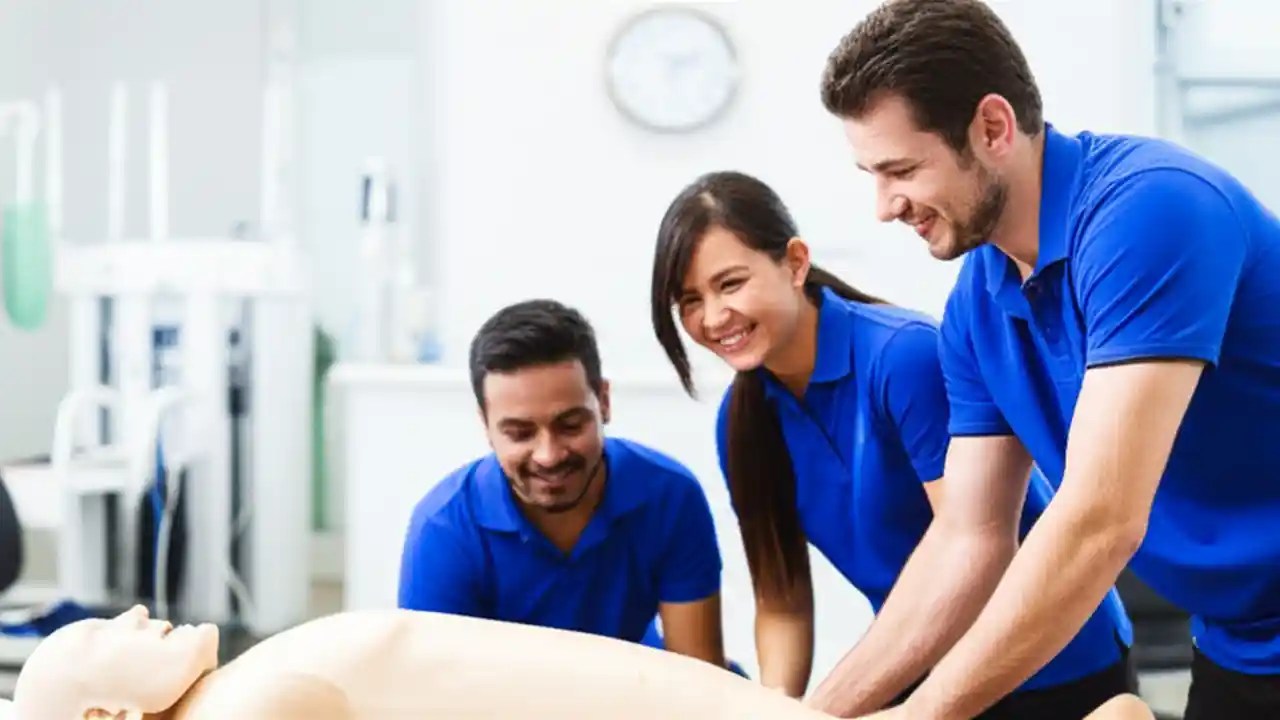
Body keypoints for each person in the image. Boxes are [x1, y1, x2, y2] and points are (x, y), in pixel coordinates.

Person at [816, 1, 1280, 718]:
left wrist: (923, 714)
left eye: (901, 169)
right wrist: (820, 712)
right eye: (870, 174)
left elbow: (1101, 520)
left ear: (993, 128)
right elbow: (969, 538)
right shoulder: (978, 303)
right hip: (1239, 640)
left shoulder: (1150, 210)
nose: (884, 205)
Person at [649, 170, 1134, 719]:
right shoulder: (742, 423)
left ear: (795, 263)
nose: (712, 318)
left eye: (730, 284)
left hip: (1047, 661)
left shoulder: (903, 357)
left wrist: (830, 708)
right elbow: (782, 600)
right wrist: (778, 709)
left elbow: (971, 551)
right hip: (915, 671)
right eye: (689, 300)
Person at [7, 605, 1158, 720]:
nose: (140, 611)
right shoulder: (239, 704)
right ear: (109, 717)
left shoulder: (241, 696)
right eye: (98, 635)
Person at [397, 298, 727, 668]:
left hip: (636, 695)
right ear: (486, 425)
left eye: (570, 425)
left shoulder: (669, 497)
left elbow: (698, 679)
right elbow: (435, 695)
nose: (549, 455)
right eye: (520, 433)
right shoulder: (444, 528)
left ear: (603, 401)